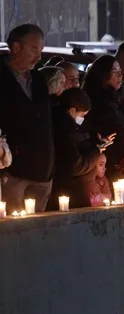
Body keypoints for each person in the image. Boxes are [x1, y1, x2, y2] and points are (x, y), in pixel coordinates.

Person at [0, 24, 55, 212]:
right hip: (13, 170)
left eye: (41, 50)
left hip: (43, 169)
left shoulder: (38, 79)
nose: (39, 57)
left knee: (38, 231)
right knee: (14, 230)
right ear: (16, 48)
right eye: (34, 49)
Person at [51, 87, 103, 210]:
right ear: (72, 111)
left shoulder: (66, 126)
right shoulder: (65, 130)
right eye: (82, 115)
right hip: (69, 189)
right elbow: (76, 166)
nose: (82, 119)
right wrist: (96, 151)